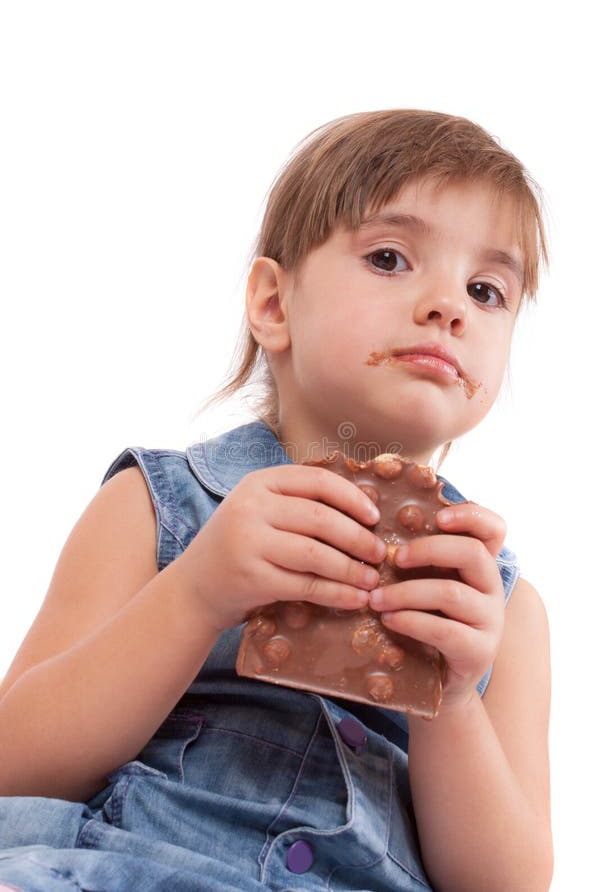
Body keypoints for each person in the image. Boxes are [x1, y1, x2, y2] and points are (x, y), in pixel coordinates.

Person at [0, 109, 553, 892]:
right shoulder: (158, 508)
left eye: (487, 289)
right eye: (392, 257)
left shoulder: (502, 610)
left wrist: (453, 700)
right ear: (273, 304)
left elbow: (509, 882)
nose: (449, 305)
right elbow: (16, 762)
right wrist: (197, 595)